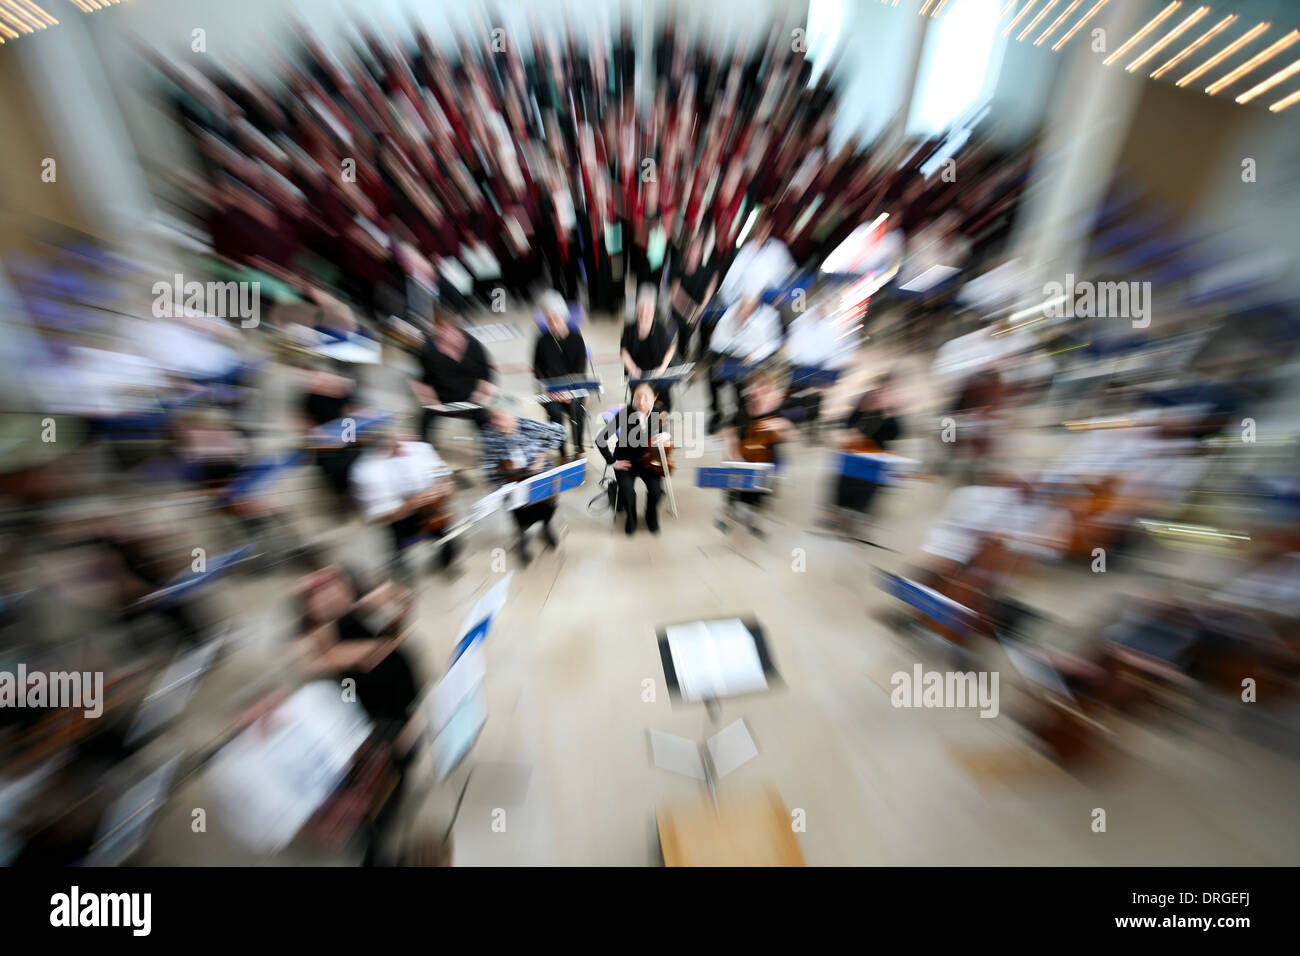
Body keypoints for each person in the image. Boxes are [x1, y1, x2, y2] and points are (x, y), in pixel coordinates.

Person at [293, 563, 421, 739]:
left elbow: (404, 605)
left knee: (406, 703)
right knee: (364, 720)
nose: (328, 595)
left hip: (395, 674)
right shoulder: (310, 627)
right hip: (352, 685)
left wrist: (391, 597)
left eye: (330, 584)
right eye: (316, 592)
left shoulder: (362, 598)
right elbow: (314, 661)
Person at [351, 425, 458, 578]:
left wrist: (443, 487)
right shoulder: (366, 471)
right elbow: (378, 516)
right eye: (394, 451)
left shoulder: (420, 449)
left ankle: (444, 563)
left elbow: (443, 472)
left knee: (449, 539)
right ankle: (399, 566)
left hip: (431, 508)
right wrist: (410, 504)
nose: (402, 451)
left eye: (400, 445)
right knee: (398, 544)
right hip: (397, 514)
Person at [480, 398, 566, 564]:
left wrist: (542, 454)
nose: (497, 423)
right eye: (494, 418)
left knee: (548, 506)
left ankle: (545, 528)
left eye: (501, 417)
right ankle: (522, 537)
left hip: (538, 476)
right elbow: (488, 464)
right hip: (511, 481)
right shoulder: (488, 434)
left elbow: (560, 433)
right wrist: (499, 486)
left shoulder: (527, 426)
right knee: (519, 514)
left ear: (514, 417)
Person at [826, 377, 903, 527]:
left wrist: (889, 415)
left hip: (874, 454)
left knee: (866, 485)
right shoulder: (863, 401)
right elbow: (848, 421)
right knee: (844, 482)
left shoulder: (890, 409)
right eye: (881, 389)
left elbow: (895, 434)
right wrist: (848, 433)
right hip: (852, 451)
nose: (882, 393)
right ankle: (837, 512)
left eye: (887, 390)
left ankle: (856, 514)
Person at [722, 370, 792, 536]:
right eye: (752, 389)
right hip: (743, 454)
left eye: (760, 389)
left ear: (768, 389)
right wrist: (733, 451)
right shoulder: (744, 406)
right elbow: (730, 430)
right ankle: (730, 511)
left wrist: (780, 427)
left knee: (760, 489)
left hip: (766, 457)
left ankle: (753, 517)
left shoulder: (777, 408)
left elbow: (787, 433)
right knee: (734, 483)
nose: (754, 393)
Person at [413, 307, 496, 443]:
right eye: (441, 330)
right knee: (424, 421)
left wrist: (482, 392)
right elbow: (425, 379)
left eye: (449, 329)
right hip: (442, 399)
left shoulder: (473, 345)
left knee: (485, 421)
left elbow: (486, 373)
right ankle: (424, 451)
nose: (446, 335)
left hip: (471, 398)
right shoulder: (428, 351)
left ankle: (492, 449)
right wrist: (429, 398)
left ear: (456, 329)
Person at [597, 382, 668, 536]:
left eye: (646, 397)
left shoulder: (657, 413)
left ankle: (651, 514)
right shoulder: (624, 414)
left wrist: (665, 435)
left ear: (655, 398)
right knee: (628, 492)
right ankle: (631, 516)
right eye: (637, 397)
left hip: (647, 460)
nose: (641, 402)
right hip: (625, 461)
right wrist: (612, 462)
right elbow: (600, 439)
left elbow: (662, 432)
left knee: (657, 492)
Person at [708, 293, 783, 432]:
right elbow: (716, 341)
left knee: (746, 383)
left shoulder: (768, 316)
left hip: (757, 361)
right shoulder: (730, 314)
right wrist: (732, 347)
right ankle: (716, 413)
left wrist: (754, 354)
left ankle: (744, 414)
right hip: (733, 356)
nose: (743, 313)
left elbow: (774, 343)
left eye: (747, 310)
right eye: (741, 309)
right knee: (713, 376)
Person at [532, 290, 589, 457]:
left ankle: (578, 445)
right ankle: (561, 448)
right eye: (549, 320)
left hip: (573, 387)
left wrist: (569, 392)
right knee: (555, 412)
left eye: (556, 319)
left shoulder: (576, 338)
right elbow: (537, 369)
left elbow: (580, 369)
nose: (553, 324)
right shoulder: (542, 340)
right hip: (550, 390)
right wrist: (553, 391)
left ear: (564, 317)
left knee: (578, 410)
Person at [620, 284, 677, 410]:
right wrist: (633, 368)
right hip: (637, 372)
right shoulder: (629, 329)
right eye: (641, 310)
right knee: (641, 399)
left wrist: (662, 368)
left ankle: (660, 416)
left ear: (652, 312)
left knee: (661, 404)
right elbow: (624, 352)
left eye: (647, 311)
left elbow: (670, 349)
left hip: (657, 371)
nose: (644, 314)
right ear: (637, 311)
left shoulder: (660, 329)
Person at [668, 232, 719, 364]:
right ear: (687, 251)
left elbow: (712, 284)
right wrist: (692, 315)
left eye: (698, 250)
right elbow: (674, 295)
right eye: (692, 249)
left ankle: (702, 354)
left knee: (706, 326)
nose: (694, 253)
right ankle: (682, 355)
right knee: (683, 335)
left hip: (696, 310)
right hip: (682, 310)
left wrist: (700, 310)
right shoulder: (678, 267)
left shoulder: (704, 270)